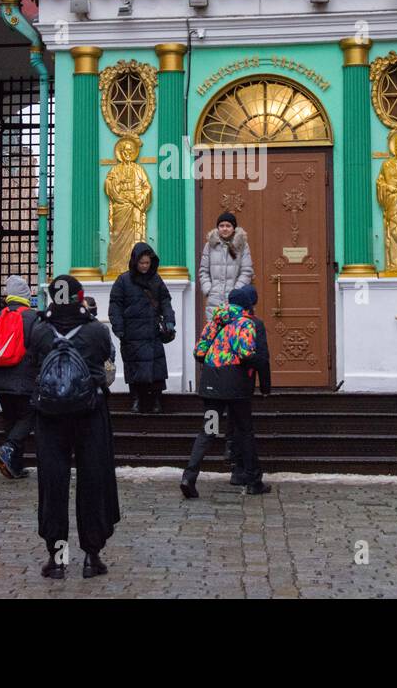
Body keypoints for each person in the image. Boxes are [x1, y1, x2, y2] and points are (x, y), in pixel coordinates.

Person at [27, 274, 120, 580]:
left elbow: (31, 367)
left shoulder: (39, 329)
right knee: (93, 479)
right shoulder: (96, 330)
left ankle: (57, 559)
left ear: (53, 297)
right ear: (80, 298)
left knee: (53, 484)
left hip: (50, 416)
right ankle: (92, 557)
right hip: (90, 412)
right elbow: (108, 368)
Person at [181, 285, 272, 498]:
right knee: (244, 430)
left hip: (212, 386)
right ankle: (253, 481)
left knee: (209, 429)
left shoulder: (215, 321)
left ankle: (189, 476)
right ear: (248, 305)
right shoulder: (246, 323)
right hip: (236, 388)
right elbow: (246, 353)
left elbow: (199, 352)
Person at [0, 276, 39, 479]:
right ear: (26, 295)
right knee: (28, 415)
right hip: (25, 378)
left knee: (10, 418)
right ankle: (9, 448)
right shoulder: (33, 317)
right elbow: (39, 346)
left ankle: (13, 465)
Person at [109, 241, 176, 414]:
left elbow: (165, 301)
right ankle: (136, 400)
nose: (145, 266)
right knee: (134, 369)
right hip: (131, 334)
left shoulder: (156, 280)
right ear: (135, 262)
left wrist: (170, 322)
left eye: (147, 263)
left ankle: (156, 401)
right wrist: (119, 328)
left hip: (152, 332)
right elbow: (115, 305)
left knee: (156, 370)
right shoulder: (123, 281)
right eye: (142, 263)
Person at [198, 211, 255, 322]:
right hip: (214, 300)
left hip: (235, 301)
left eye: (228, 226)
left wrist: (236, 292)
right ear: (218, 228)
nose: (224, 229)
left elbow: (247, 271)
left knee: (233, 334)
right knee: (215, 334)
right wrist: (208, 289)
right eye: (221, 226)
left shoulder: (242, 245)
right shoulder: (210, 245)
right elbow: (203, 271)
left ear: (233, 228)